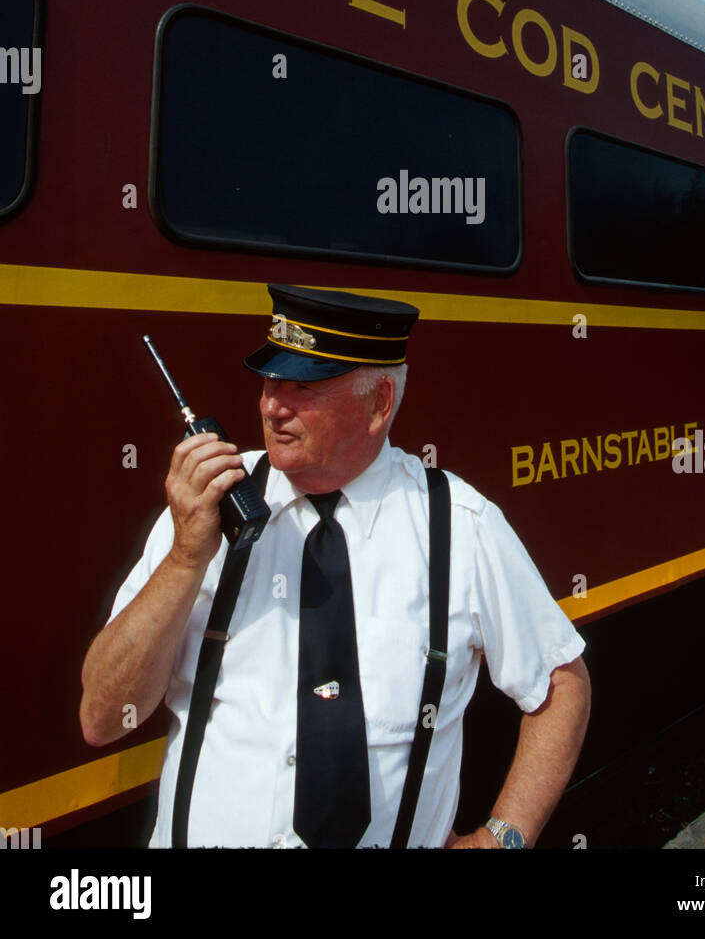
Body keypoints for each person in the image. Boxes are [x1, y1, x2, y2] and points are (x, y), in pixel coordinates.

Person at [80, 284, 590, 848]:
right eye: (270, 381)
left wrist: (501, 839)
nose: (272, 405)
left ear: (380, 404)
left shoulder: (458, 523)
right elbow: (103, 718)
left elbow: (560, 684)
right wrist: (183, 560)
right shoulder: (206, 509)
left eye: (305, 386)